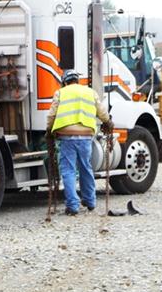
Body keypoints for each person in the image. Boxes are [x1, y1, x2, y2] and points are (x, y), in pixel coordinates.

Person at [46, 69, 113, 215]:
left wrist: (49, 130)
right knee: (86, 168)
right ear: (77, 79)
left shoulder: (61, 92)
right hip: (85, 136)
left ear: (64, 81)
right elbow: (101, 111)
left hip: (66, 137)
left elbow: (52, 114)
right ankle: (90, 201)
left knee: (68, 170)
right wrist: (108, 122)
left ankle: (73, 205)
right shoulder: (90, 92)